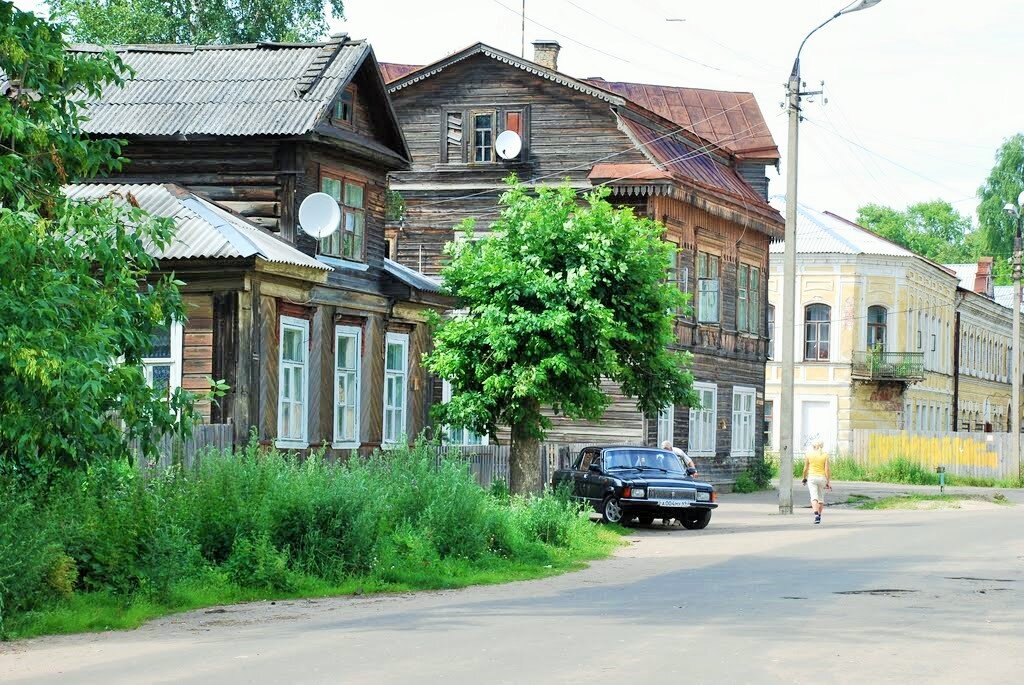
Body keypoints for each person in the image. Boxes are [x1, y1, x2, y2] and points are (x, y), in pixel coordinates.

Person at [801, 439, 831, 524]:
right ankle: (820, 516)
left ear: (813, 446)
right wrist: (828, 481)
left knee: (814, 497)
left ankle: (816, 515)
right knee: (821, 498)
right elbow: (827, 470)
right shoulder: (825, 455)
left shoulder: (808, 454)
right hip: (822, 478)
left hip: (812, 478)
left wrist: (804, 477)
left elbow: (805, 468)